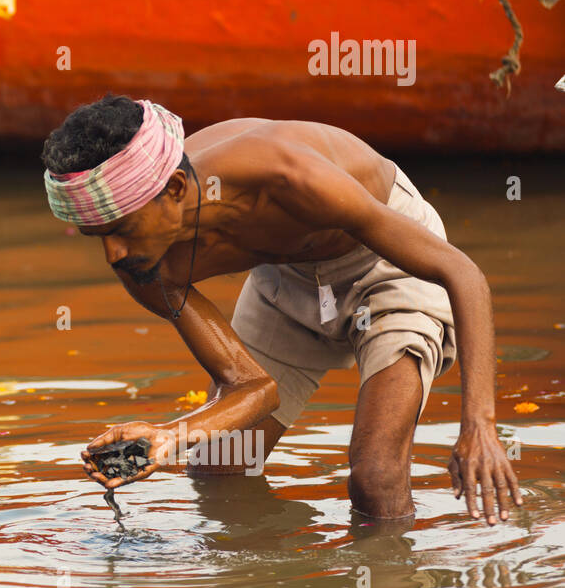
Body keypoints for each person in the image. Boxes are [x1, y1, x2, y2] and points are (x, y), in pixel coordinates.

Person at [42, 94, 521, 525]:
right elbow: (252, 388)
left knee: (375, 475)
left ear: (175, 189)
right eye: (97, 237)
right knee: (218, 470)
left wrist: (480, 426)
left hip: (387, 263)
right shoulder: (142, 265)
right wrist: (166, 437)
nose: (113, 256)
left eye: (121, 229)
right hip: (286, 276)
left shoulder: (286, 175)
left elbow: (463, 274)